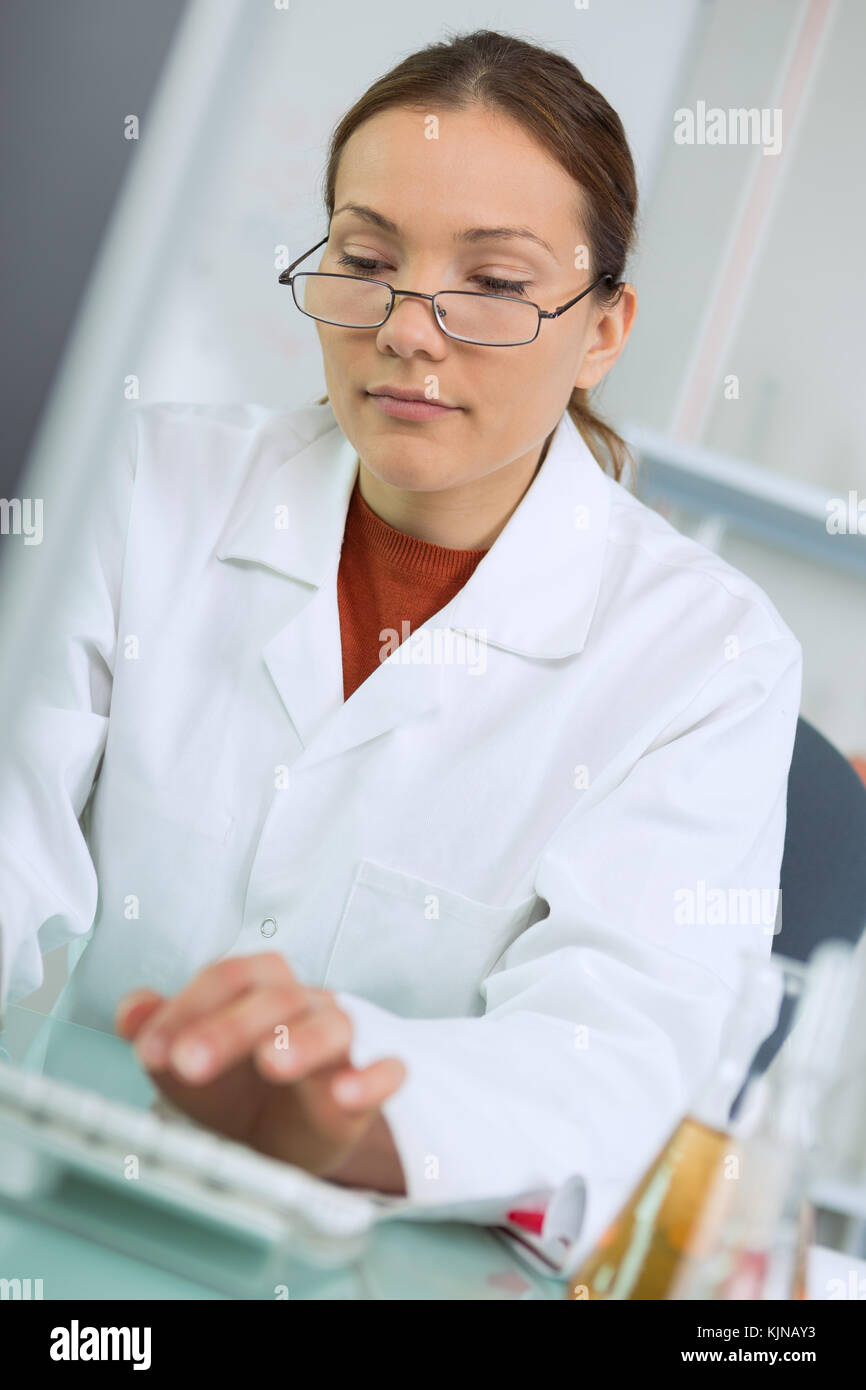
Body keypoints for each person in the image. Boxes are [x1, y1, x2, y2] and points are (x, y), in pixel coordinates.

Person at [0, 30, 802, 1246]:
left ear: (602, 328)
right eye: (366, 258)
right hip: (73, 1177)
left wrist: (356, 1107)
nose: (407, 331)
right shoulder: (144, 485)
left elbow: (613, 1055)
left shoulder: (703, 654)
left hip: (407, 1256)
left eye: (491, 282)